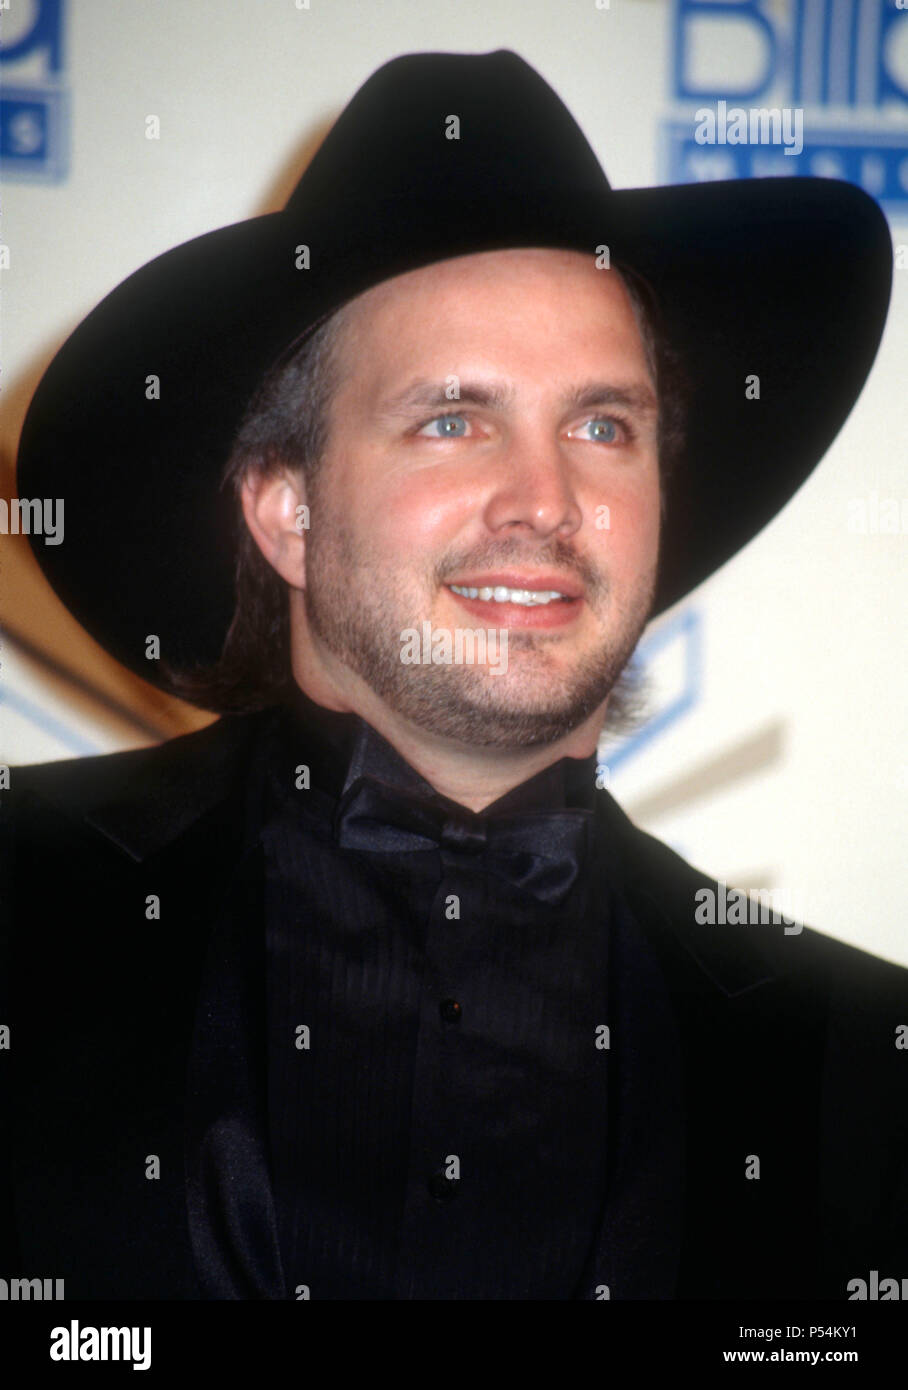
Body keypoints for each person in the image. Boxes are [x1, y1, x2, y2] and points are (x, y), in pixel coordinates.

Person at [3, 49, 905, 1301]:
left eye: (601, 425)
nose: (546, 500)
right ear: (285, 508)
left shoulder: (861, 1062)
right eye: (451, 419)